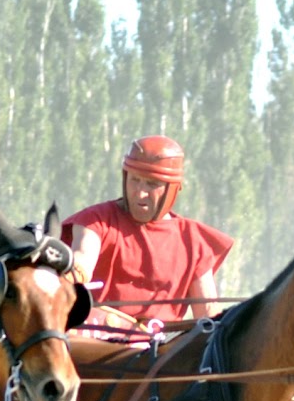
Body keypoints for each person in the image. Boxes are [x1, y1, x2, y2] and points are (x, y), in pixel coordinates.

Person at [61, 135, 234, 333]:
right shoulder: (95, 220)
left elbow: (208, 316)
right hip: (94, 350)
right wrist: (70, 272)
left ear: (173, 189)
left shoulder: (194, 241)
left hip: (157, 358)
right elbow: (82, 259)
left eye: (152, 184)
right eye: (135, 180)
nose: (141, 193)